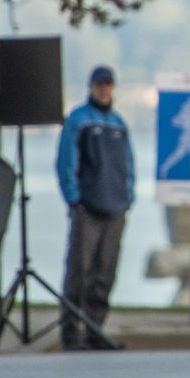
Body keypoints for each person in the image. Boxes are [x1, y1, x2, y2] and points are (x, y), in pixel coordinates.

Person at [55, 65, 133, 351]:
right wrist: (74, 199)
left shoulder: (118, 124)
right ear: (91, 86)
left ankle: (95, 330)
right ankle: (70, 332)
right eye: (99, 84)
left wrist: (128, 197)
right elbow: (66, 163)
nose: (104, 89)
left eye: (108, 84)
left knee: (105, 273)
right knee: (79, 270)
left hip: (116, 209)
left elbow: (129, 164)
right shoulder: (78, 120)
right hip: (87, 208)